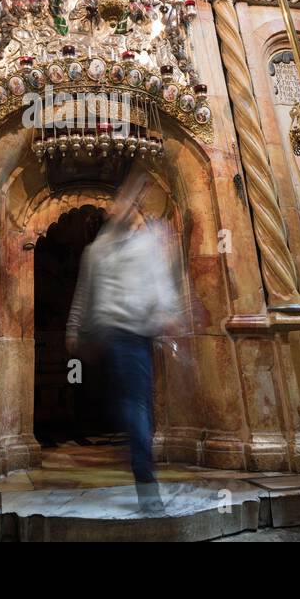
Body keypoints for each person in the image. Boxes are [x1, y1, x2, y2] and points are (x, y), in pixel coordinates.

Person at [65, 170, 183, 515]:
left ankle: (140, 468)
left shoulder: (146, 243)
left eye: (129, 205)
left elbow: (159, 282)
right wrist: (74, 330)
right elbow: (83, 294)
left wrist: (169, 312)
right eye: (120, 205)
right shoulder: (97, 251)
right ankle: (145, 479)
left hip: (139, 333)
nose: (124, 210)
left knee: (135, 404)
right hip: (113, 336)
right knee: (133, 405)